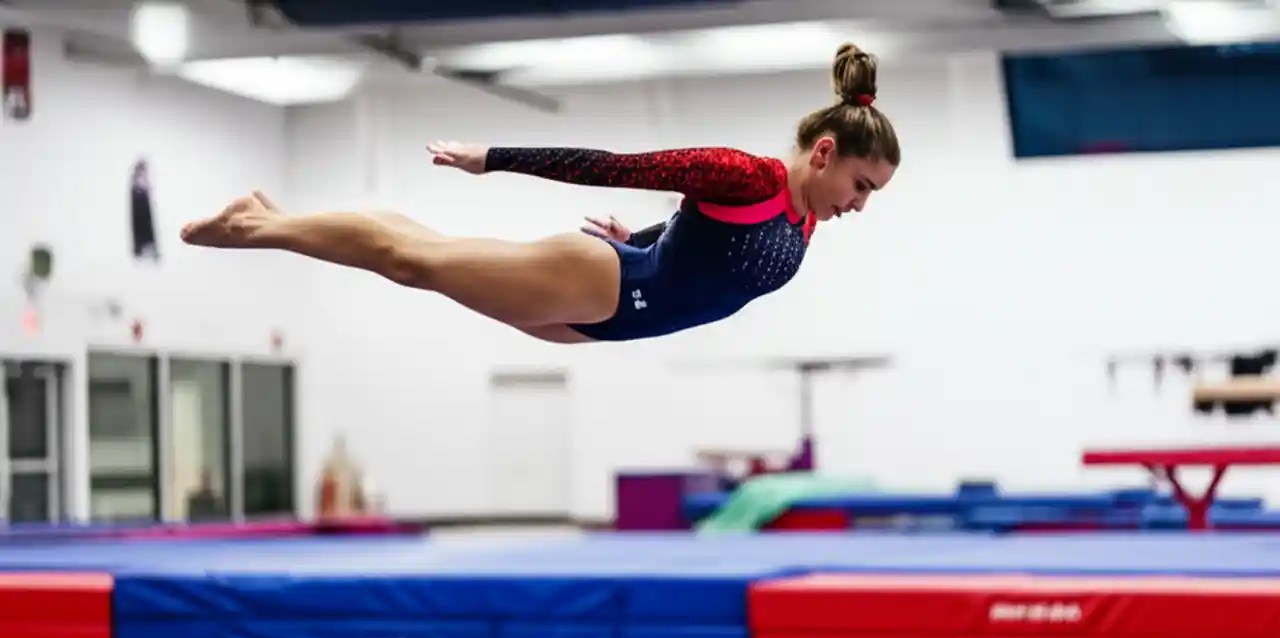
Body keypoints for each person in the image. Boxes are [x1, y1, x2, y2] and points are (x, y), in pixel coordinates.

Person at [180, 43, 900, 344]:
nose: (860, 204)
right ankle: (254, 229)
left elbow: (704, 251)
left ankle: (274, 217)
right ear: (825, 153)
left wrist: (643, 238)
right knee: (413, 262)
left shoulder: (804, 222)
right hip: (597, 287)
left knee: (425, 253)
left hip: (606, 314)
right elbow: (613, 164)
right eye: (860, 185)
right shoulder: (747, 177)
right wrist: (490, 158)